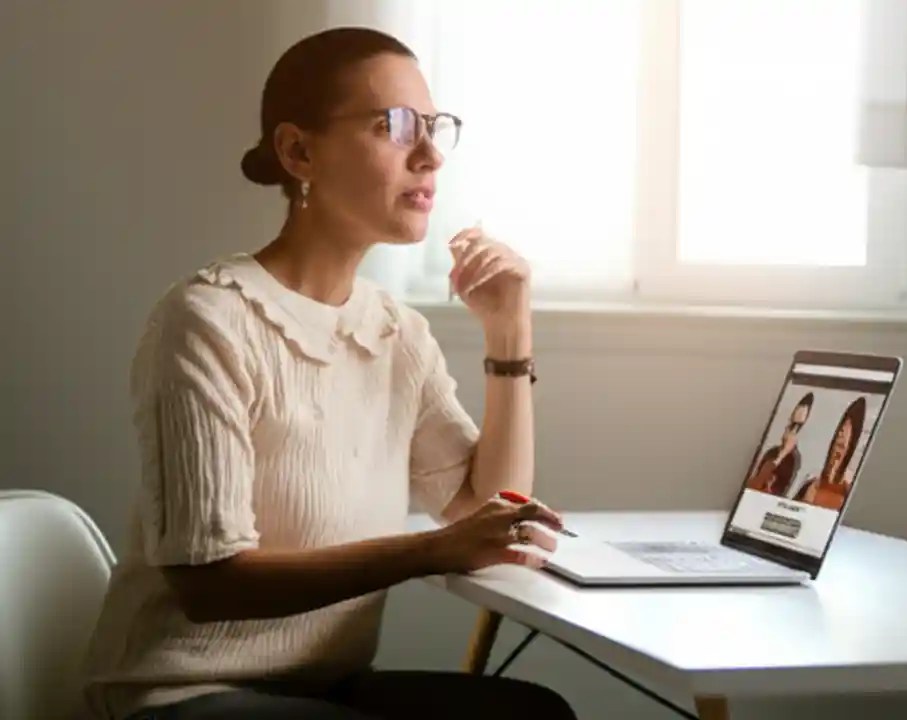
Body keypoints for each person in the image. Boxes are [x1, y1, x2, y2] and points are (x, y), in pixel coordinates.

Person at [79, 27, 577, 720]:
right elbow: (209, 585)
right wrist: (427, 551)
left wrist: (510, 332)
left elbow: (488, 514)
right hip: (181, 695)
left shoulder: (396, 332)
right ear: (298, 151)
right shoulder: (206, 320)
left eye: (434, 127)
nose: (430, 154)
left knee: (532, 713)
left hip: (319, 688)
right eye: (394, 125)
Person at [793, 397, 867, 510]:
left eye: (846, 428)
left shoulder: (846, 493)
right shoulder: (811, 484)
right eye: (840, 429)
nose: (841, 434)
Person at [745, 393, 814, 496]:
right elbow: (753, 483)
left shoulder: (794, 459)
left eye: (797, 427)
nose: (790, 430)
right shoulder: (771, 453)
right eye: (791, 425)